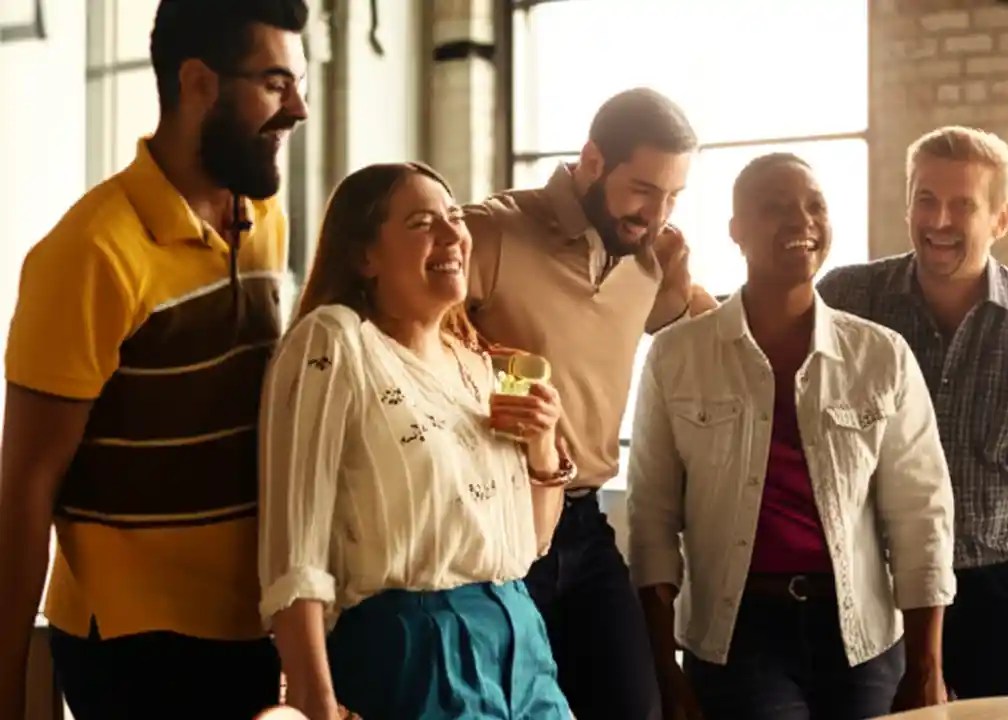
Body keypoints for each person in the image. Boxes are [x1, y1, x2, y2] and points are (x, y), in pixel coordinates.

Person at [0, 1, 309, 717]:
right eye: (274, 83)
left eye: (299, 83)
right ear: (199, 82)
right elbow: (25, 488)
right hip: (135, 645)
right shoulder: (89, 253)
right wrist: (7, 695)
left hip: (251, 620)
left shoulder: (266, 219)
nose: (297, 108)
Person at [628, 153, 957, 720]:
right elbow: (652, 515)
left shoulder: (881, 356)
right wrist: (664, 667)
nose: (801, 221)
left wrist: (927, 667)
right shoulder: (677, 356)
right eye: (775, 207)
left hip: (861, 636)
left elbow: (922, 513)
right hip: (738, 637)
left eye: (815, 206)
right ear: (736, 230)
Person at [817, 125, 1008, 699]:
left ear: (1000, 219)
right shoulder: (848, 300)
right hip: (873, 580)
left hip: (1004, 586)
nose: (939, 221)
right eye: (926, 199)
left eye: (963, 205)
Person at [259, 162, 573, 720]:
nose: (453, 234)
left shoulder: (476, 363)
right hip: (413, 650)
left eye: (455, 217)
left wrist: (542, 446)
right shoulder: (334, 341)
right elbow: (294, 549)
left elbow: (529, 546)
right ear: (365, 256)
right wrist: (314, 699)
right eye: (422, 223)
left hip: (523, 643)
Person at [463, 87, 717, 720]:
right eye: (643, 190)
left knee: (636, 708)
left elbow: (716, 332)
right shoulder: (490, 231)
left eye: (673, 197)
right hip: (495, 521)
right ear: (593, 160)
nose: (655, 215)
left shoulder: (651, 260)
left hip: (585, 523)